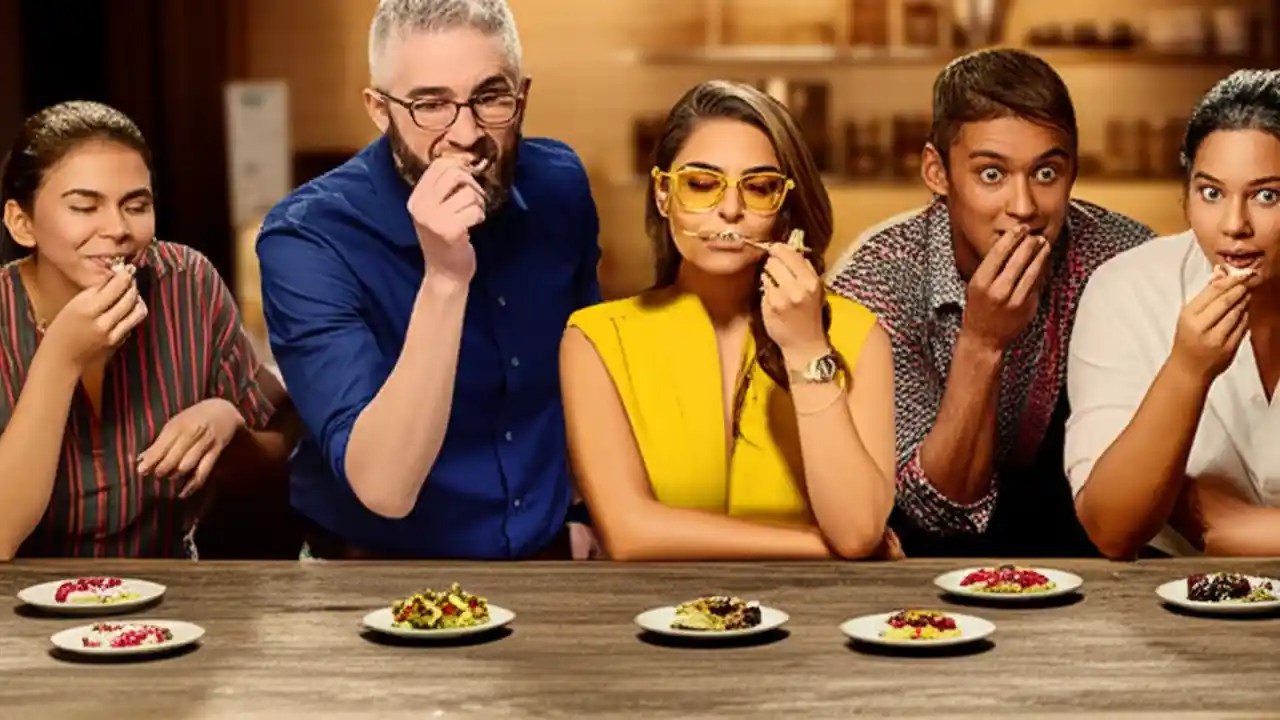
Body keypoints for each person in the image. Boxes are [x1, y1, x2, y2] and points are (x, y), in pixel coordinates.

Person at [256, 0, 601, 559]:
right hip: (373, 568)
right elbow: (384, 488)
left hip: (545, 557)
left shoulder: (559, 185)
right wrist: (444, 277)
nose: (465, 133)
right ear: (379, 109)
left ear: (522, 96)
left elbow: (587, 376)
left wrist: (586, 511)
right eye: (431, 105)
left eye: (490, 97)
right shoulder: (307, 236)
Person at [826, 48, 1155, 557]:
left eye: (1046, 174)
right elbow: (937, 511)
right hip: (920, 562)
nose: (1023, 208)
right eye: (991, 175)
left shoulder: (1125, 259)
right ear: (937, 172)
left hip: (1093, 550)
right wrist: (982, 341)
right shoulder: (878, 281)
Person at [561, 81, 896, 561]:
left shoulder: (857, 334)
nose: (731, 209)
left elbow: (857, 529)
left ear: (784, 205)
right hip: (661, 607)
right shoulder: (595, 339)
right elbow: (630, 534)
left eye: (759, 188)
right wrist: (815, 546)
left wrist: (805, 348)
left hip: (817, 607)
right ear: (663, 194)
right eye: (701, 184)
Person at [0, 100, 293, 559]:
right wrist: (60, 357)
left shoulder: (186, 282)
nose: (118, 228)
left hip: (166, 591)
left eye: (136, 205)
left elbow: (282, 460)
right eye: (84, 207)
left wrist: (228, 423)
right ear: (22, 223)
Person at [1066, 69, 1280, 558]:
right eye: (1212, 193)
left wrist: (1221, 525)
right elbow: (1112, 527)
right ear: (1185, 196)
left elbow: (1208, 526)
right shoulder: (1126, 289)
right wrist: (1188, 369)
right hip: (1166, 595)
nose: (1234, 225)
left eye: (1267, 195)